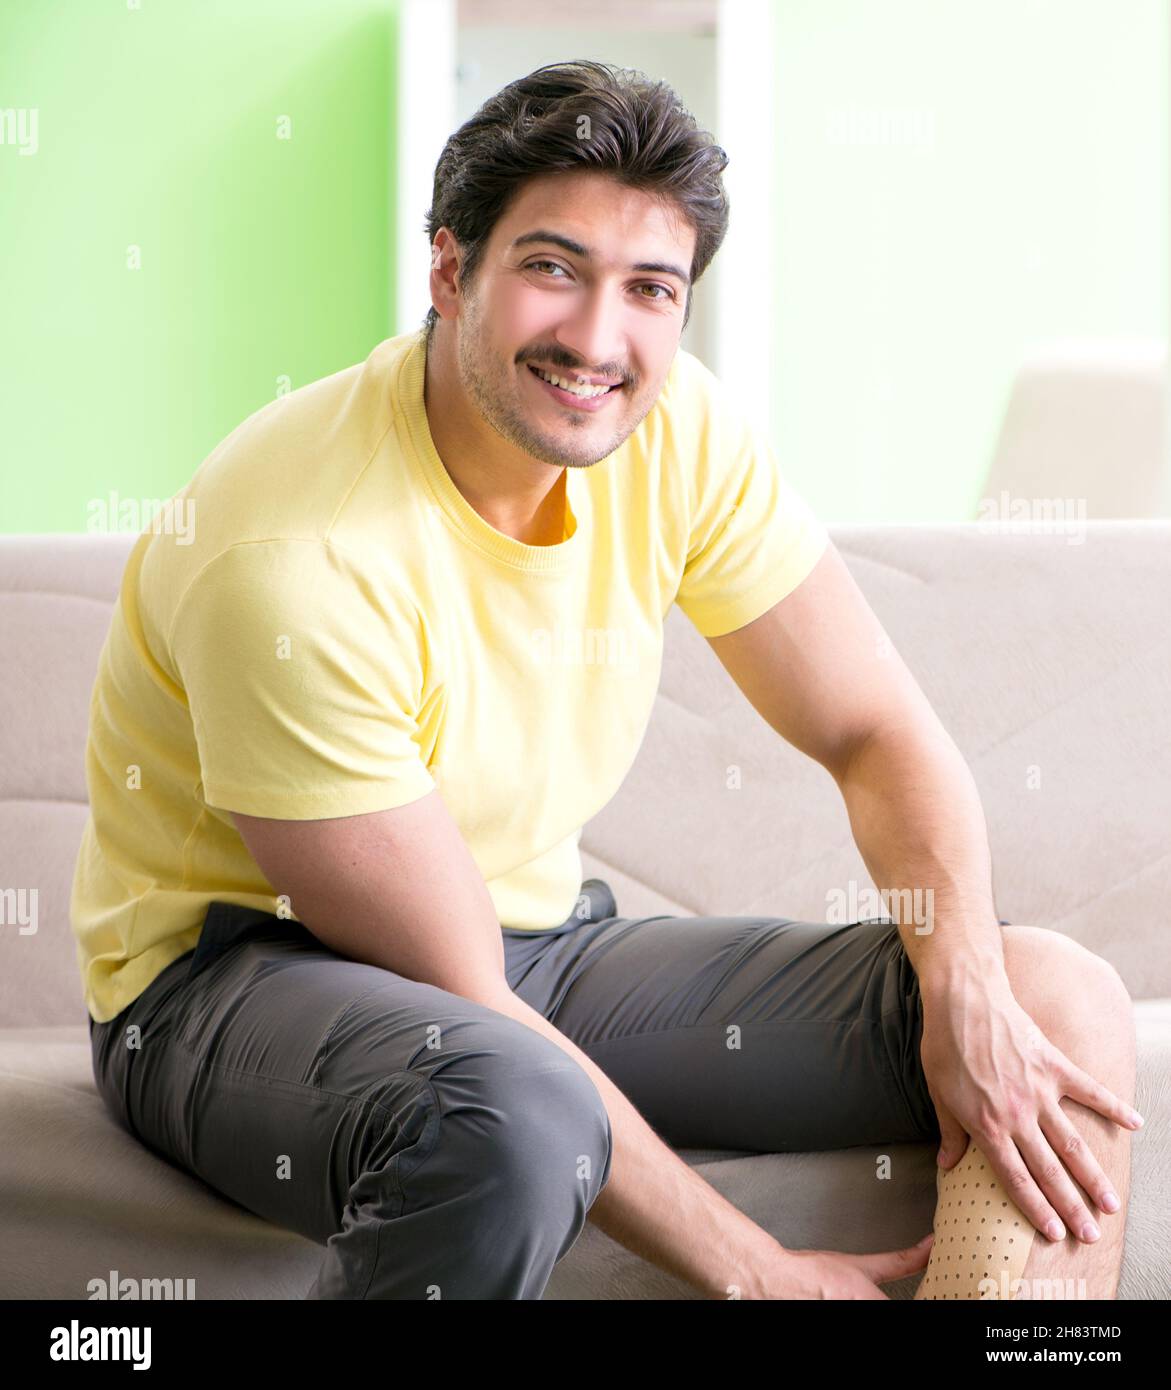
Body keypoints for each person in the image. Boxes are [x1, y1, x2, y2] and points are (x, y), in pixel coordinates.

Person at [75, 60, 1138, 1300]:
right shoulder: (296, 559)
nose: (595, 337)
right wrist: (760, 1273)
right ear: (449, 269)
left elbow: (873, 731)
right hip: (234, 983)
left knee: (1050, 992)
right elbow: (456, 991)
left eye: (648, 289)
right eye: (550, 268)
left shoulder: (677, 429)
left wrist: (963, 987)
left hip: (531, 949)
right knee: (513, 1119)